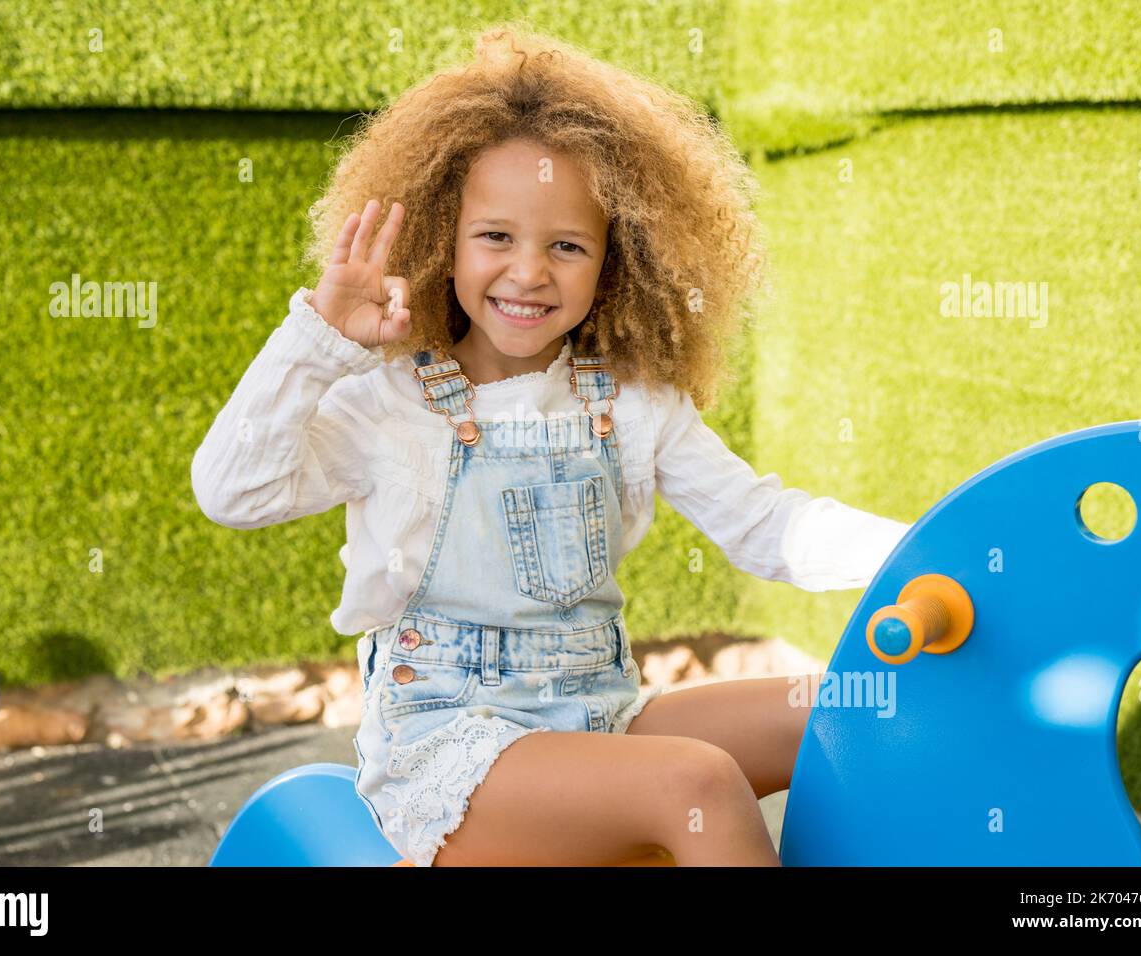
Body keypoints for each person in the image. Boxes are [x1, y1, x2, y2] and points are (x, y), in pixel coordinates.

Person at [191, 24, 911, 867]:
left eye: (566, 246)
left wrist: (926, 547)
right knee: (699, 784)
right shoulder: (388, 404)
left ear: (614, 264)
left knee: (850, 710)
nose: (529, 273)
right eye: (495, 237)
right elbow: (233, 491)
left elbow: (765, 524)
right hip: (451, 758)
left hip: (599, 718)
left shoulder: (633, 403)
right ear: (442, 242)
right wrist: (320, 340)